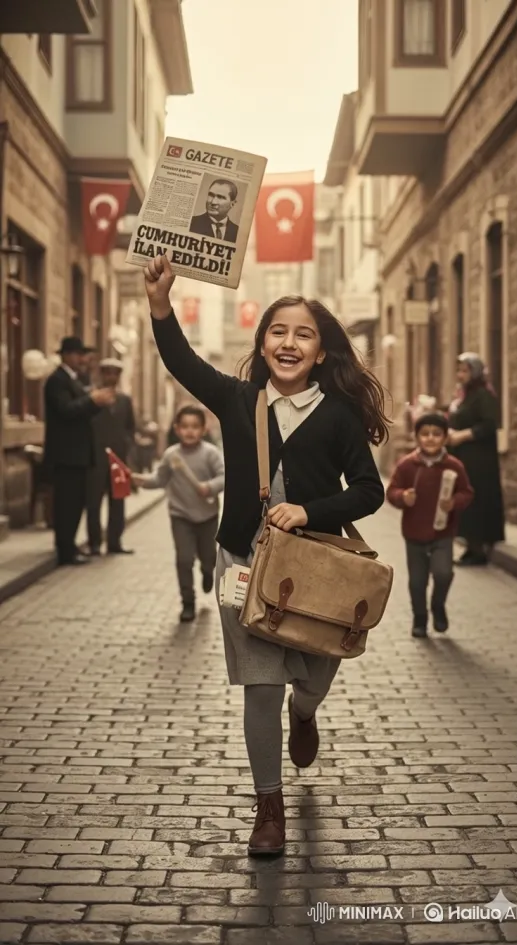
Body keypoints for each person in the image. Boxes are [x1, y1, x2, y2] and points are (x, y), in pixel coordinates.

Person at [143, 252, 388, 858]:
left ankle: (306, 715)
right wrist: (159, 304)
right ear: (263, 342)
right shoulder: (235, 398)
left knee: (315, 675)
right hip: (243, 561)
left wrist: (310, 511)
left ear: (320, 351)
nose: (288, 342)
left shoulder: (338, 414)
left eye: (303, 333)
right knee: (261, 686)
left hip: (317, 570)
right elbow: (180, 361)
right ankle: (269, 808)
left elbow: (369, 490)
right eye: (278, 331)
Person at [133, 406, 225, 623]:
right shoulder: (171, 455)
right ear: (177, 429)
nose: (189, 431)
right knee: (184, 560)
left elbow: (224, 477)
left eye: (195, 427)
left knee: (209, 557)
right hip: (180, 515)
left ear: (204, 429)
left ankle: (206, 572)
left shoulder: (210, 453)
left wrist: (209, 487)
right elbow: (160, 479)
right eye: (184, 427)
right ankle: (188, 603)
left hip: (207, 517)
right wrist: (142, 481)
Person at [386, 413, 474, 638]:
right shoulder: (407, 465)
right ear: (416, 437)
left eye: (437, 434)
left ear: (445, 438)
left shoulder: (454, 466)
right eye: (425, 434)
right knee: (417, 582)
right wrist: (402, 496)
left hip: (442, 532)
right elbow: (392, 491)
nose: (430, 439)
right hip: (414, 533)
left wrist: (454, 502)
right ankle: (420, 618)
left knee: (443, 573)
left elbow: (467, 492)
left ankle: (438, 605)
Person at [44, 336, 114, 566]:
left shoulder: (73, 379)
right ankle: (65, 550)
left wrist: (96, 403)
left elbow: (81, 412)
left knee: (75, 505)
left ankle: (70, 546)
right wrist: (92, 400)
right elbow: (67, 410)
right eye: (77, 354)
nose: (81, 359)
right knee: (66, 505)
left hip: (78, 455)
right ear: (66, 355)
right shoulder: (57, 380)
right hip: (66, 456)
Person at [447, 352, 505, 566]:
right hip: (464, 457)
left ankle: (478, 549)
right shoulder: (463, 395)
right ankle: (471, 547)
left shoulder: (483, 395)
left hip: (479, 460)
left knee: (478, 500)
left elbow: (489, 425)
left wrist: (462, 435)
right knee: (467, 500)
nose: (460, 375)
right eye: (459, 370)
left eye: (465, 371)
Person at [86, 358, 136, 556]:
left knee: (118, 501)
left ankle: (115, 542)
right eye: (107, 373)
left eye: (115, 373)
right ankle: (94, 543)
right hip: (95, 458)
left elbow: (130, 427)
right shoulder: (92, 398)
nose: (111, 377)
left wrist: (125, 445)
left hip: (118, 459)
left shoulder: (125, 400)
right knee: (94, 502)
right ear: (101, 375)